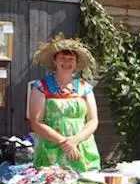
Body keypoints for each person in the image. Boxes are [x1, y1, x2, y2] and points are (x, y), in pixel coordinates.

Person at [29, 35, 101, 172]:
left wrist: (74, 141)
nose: (67, 62)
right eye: (62, 58)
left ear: (76, 63)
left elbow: (93, 120)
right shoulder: (41, 87)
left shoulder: (84, 87)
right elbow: (37, 123)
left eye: (71, 59)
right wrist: (63, 141)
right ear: (54, 60)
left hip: (81, 149)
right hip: (52, 150)